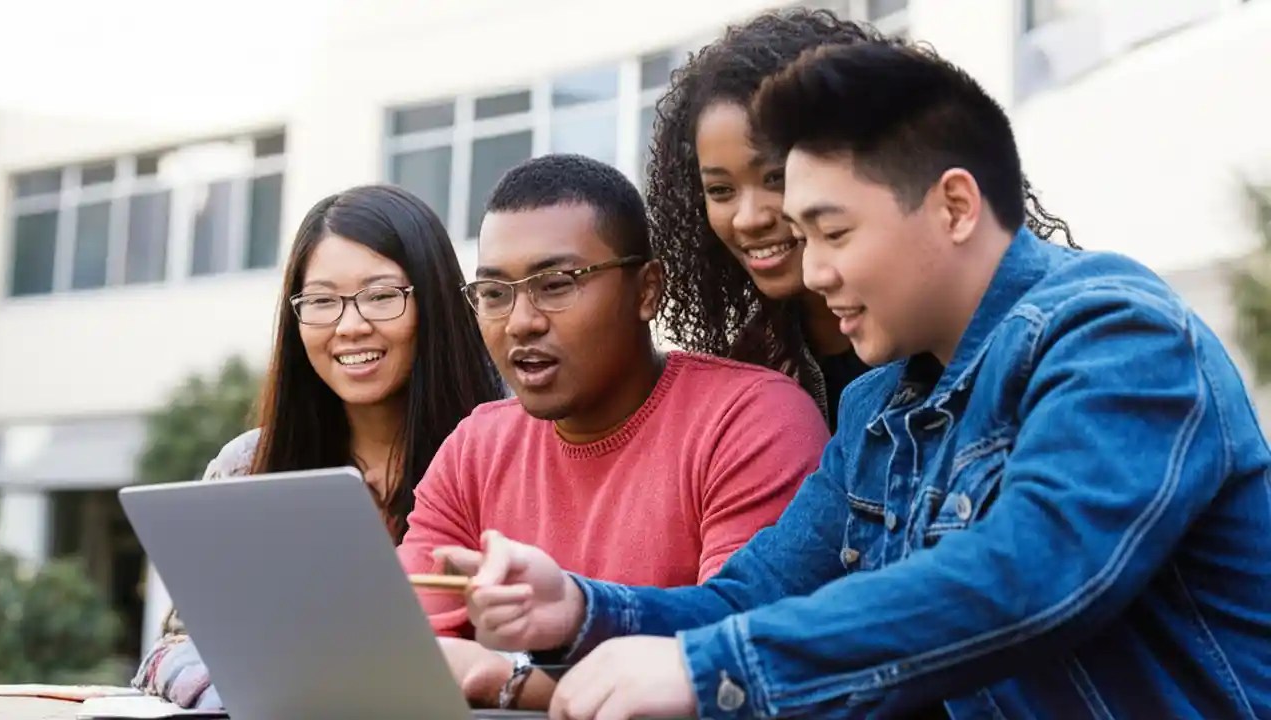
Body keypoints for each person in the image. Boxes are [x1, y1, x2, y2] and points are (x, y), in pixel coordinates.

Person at [445, 44, 1271, 719]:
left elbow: (1029, 576)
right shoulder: (879, 406)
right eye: (803, 235)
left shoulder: (1117, 338)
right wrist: (579, 610)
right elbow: (759, 594)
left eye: (833, 232)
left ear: (953, 205)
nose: (816, 269)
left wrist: (709, 669)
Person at [396, 154, 829, 710]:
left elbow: (733, 666)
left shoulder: (752, 420)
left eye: (556, 284)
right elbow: (408, 655)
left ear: (647, 291)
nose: (521, 321)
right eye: (495, 293)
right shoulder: (474, 448)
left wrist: (502, 678)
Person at [132, 184, 504, 709]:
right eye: (322, 302)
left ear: (436, 301)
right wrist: (226, 697)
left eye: (380, 296)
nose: (350, 327)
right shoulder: (248, 466)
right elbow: (173, 648)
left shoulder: (508, 450)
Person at [647, 8, 1075, 430]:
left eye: (777, 178)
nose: (749, 218)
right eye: (721, 190)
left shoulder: (1053, 330)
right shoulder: (756, 371)